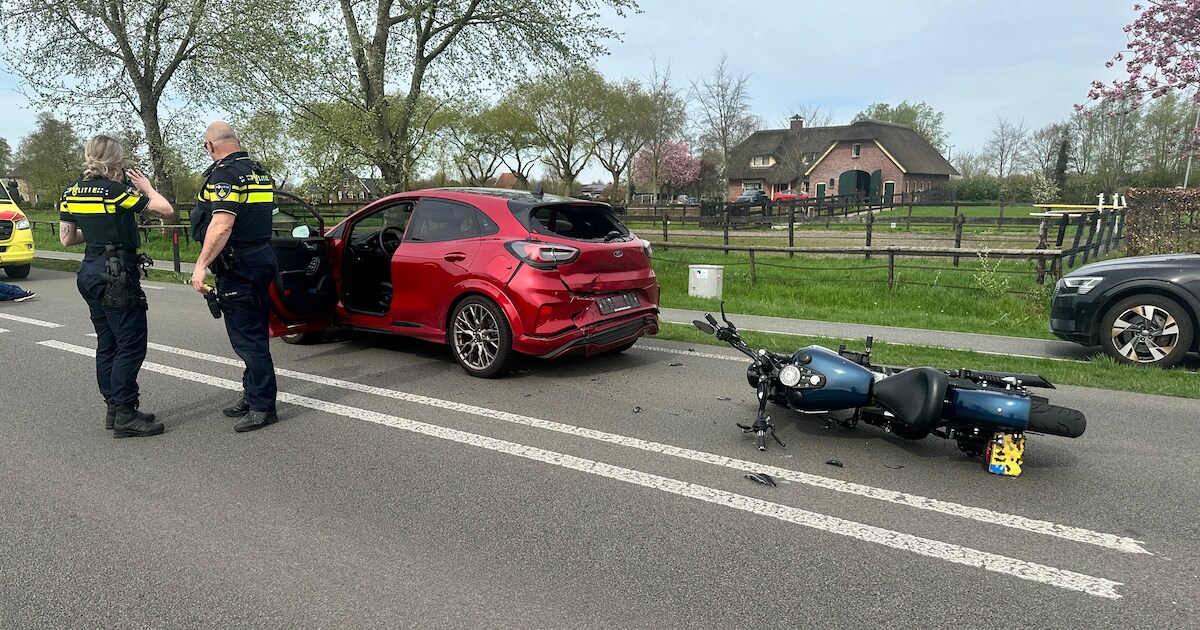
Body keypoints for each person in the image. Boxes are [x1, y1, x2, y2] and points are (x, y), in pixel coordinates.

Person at [59, 135, 175, 437]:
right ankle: (126, 413)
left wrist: (99, 232)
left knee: (107, 342)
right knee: (130, 343)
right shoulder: (116, 192)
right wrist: (147, 187)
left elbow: (67, 238)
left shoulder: (70, 192)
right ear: (117, 161)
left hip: (89, 271)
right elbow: (166, 211)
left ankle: (114, 408)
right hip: (117, 274)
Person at [190, 121, 280, 432]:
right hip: (261, 257)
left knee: (247, 339)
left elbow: (222, 224)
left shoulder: (225, 174)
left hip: (239, 264)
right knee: (252, 332)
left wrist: (201, 264)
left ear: (209, 146)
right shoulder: (258, 171)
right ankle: (252, 393)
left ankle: (262, 406)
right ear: (237, 141)